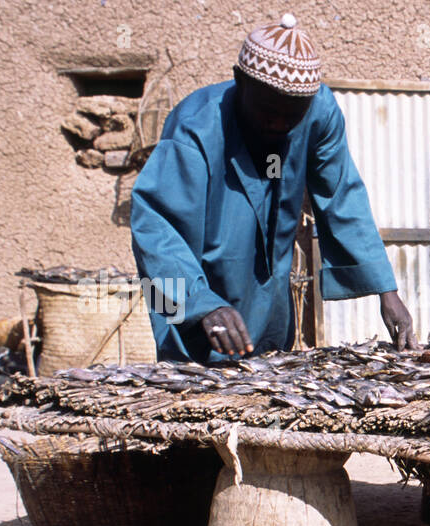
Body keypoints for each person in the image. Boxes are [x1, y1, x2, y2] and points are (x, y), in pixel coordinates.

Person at [130, 14, 414, 363]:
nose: (279, 124)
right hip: (198, 290)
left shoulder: (317, 111)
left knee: (268, 371)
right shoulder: (194, 130)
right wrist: (201, 305)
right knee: (199, 384)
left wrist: (386, 290)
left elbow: (341, 195)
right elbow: (156, 227)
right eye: (267, 111)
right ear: (239, 81)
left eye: (291, 115)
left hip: (268, 291)